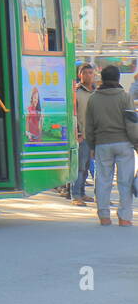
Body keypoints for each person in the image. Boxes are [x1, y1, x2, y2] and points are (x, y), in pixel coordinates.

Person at [84, 64, 134, 226]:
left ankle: (104, 216)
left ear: (102, 79)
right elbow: (132, 124)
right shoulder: (125, 97)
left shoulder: (94, 98)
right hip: (124, 143)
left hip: (102, 144)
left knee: (103, 180)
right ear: (118, 78)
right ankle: (124, 217)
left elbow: (89, 126)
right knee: (125, 181)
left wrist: (92, 145)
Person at [71, 63, 97, 205]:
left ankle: (82, 193)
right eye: (85, 72)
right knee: (80, 167)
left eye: (90, 72)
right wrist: (78, 133)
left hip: (94, 136)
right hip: (82, 136)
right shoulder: (76, 92)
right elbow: (73, 115)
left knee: (87, 166)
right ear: (79, 75)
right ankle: (76, 195)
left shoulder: (96, 92)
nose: (88, 75)